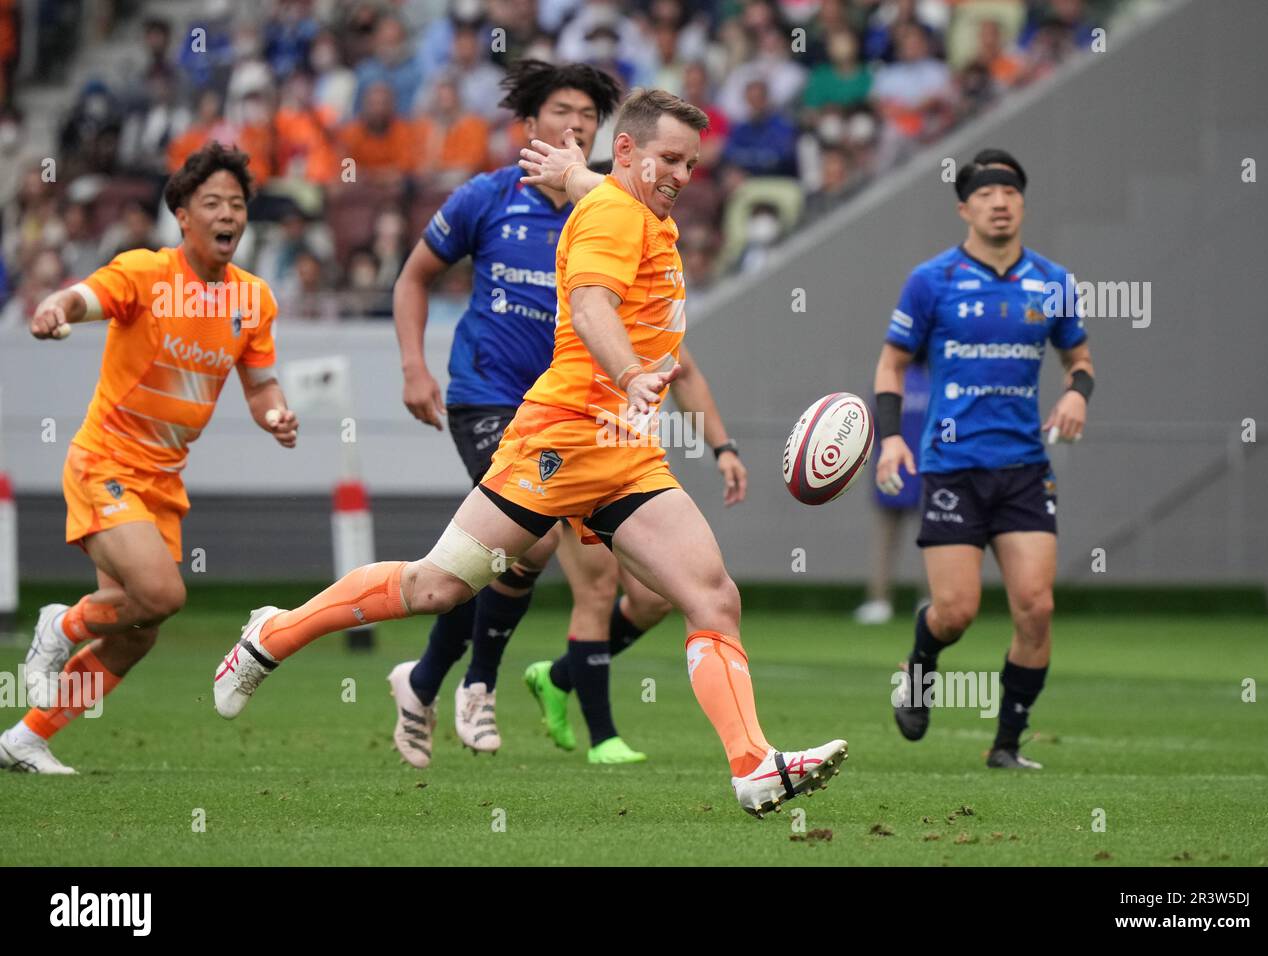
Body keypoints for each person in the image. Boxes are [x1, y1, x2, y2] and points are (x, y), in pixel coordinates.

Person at [213, 88, 847, 817]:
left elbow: (600, 191)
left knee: (712, 596)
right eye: (669, 158)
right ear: (632, 153)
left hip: (624, 454)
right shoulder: (616, 214)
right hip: (559, 439)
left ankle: (753, 765)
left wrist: (578, 171)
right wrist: (632, 373)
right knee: (435, 589)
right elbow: (590, 307)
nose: (682, 174)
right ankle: (273, 632)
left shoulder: (625, 202)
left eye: (692, 163)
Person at [388, 60, 745, 766]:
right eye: (562, 113)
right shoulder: (486, 199)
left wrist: (721, 444)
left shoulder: (624, 212)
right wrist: (412, 365)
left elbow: (678, 353)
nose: (575, 125)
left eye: (588, 115)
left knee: (630, 592)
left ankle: (433, 679)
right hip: (495, 397)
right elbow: (415, 277)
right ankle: (482, 686)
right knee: (531, 544)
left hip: (590, 421)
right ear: (531, 127)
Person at [0, 143, 296, 774]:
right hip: (103, 463)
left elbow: (261, 384)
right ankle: (61, 623)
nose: (228, 214)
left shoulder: (253, 300)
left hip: (160, 483)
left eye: (237, 204)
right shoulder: (147, 272)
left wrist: (275, 413)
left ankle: (24, 738)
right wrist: (56, 307)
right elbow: (86, 296)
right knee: (162, 593)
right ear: (182, 216)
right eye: (212, 202)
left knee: (136, 632)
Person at [873, 148, 1093, 769]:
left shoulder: (1053, 282)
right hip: (952, 466)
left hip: (1024, 467)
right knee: (956, 611)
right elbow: (891, 365)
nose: (1001, 203)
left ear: (1022, 203)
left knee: (1037, 606)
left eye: (1011, 193)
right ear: (964, 208)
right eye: (987, 195)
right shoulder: (931, 281)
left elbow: (1080, 361)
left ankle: (1006, 746)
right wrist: (891, 436)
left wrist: (1077, 393)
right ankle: (919, 663)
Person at [855, 363, 928, 625]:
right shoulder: (887, 384)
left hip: (917, 473)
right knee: (890, 541)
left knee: (926, 541)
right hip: (899, 471)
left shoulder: (929, 383)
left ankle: (920, 600)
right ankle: (880, 600)